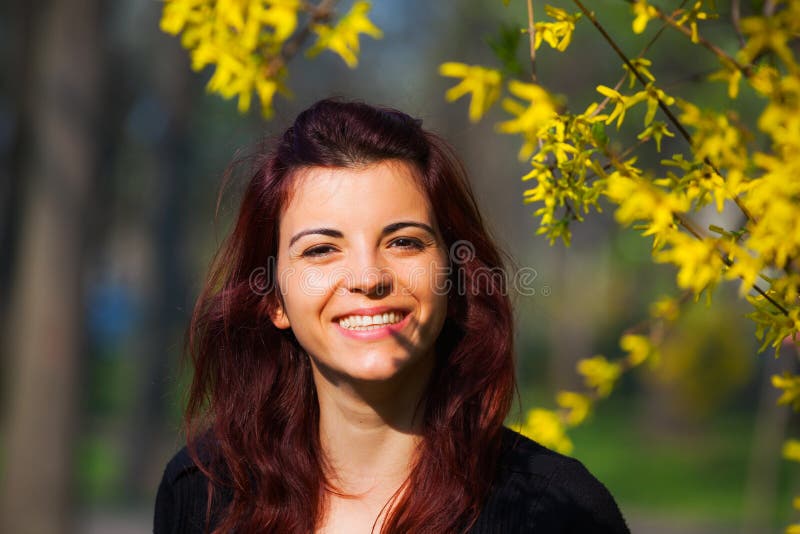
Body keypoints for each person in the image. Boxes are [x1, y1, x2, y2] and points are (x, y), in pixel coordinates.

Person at [154, 98, 630, 533]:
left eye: (404, 242)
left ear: (455, 276)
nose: (368, 277)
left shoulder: (560, 512)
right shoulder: (202, 493)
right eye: (321, 249)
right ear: (274, 299)